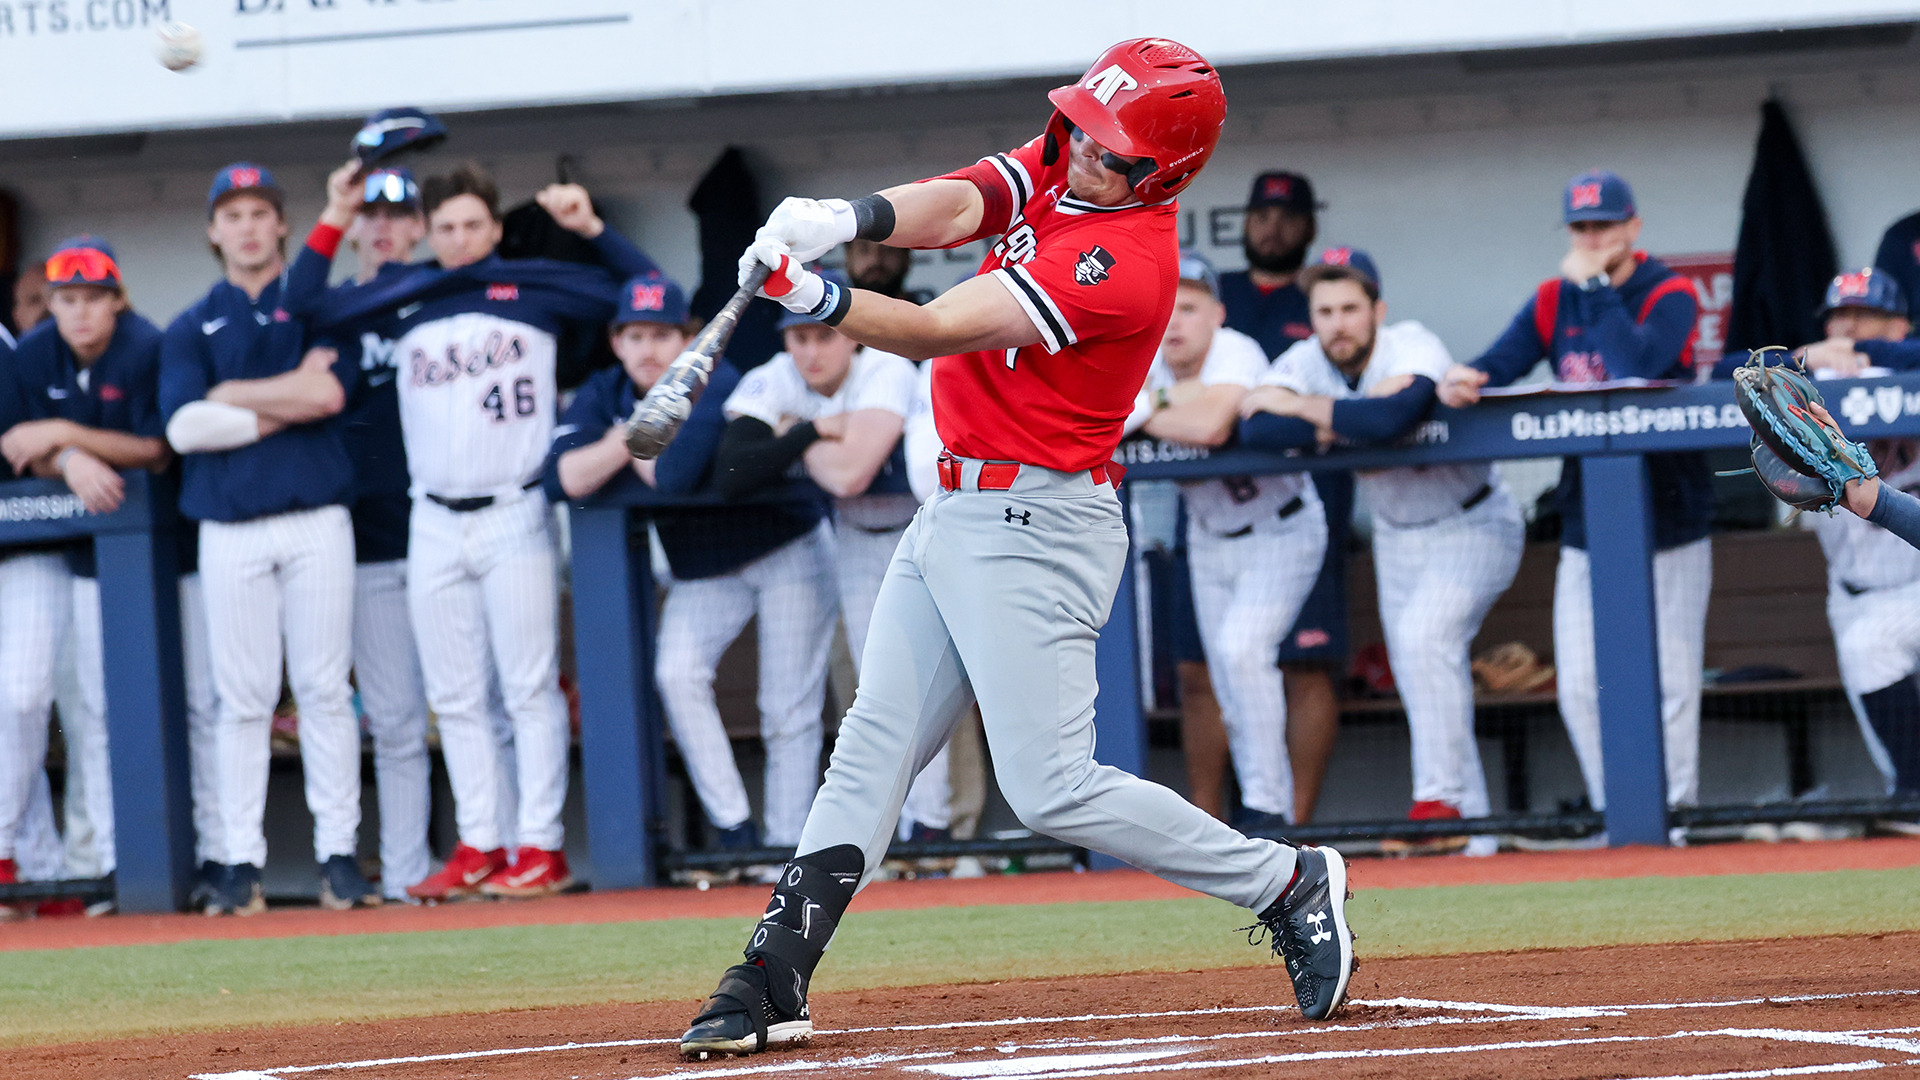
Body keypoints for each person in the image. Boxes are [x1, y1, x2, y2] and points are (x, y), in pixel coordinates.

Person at [677, 38, 1355, 1061]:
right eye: (1082, 128)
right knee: (871, 746)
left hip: (1040, 525)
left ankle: (1285, 881)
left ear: (1161, 173)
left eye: (1112, 148)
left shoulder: (1125, 263)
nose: (1084, 151)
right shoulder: (1070, 156)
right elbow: (960, 203)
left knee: (1050, 788)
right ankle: (773, 974)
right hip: (955, 507)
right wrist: (845, 219)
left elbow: (940, 326)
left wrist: (815, 297)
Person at [320, 163, 657, 901]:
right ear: (425, 232)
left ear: (496, 228)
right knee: (455, 696)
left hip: (514, 508)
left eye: (474, 224)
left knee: (528, 688)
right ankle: (481, 841)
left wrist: (590, 228)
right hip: (433, 516)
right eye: (445, 227)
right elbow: (306, 309)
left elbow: (646, 291)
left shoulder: (531, 285)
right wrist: (335, 218)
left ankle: (540, 845)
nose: (461, 239)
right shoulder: (406, 293)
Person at [1439, 168, 1709, 817]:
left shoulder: (1669, 292)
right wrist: (1463, 377)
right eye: (1581, 228)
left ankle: (1674, 815)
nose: (1591, 239)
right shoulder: (1551, 299)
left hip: (1671, 510)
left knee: (1671, 679)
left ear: (1632, 228)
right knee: (1582, 682)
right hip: (1589, 512)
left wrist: (1593, 286)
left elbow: (1634, 365)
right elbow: (1498, 363)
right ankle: (1619, 813)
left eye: (1604, 226)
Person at [1244, 248, 1524, 855]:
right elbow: (1257, 426)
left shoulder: (1410, 343)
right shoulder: (1306, 359)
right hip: (1399, 533)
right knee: (1424, 669)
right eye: (1325, 312)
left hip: (1471, 520)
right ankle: (1473, 836)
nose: (1338, 324)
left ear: (1378, 311)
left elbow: (1390, 418)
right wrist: (1345, 414)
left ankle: (1439, 804)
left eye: (1350, 308)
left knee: (1425, 640)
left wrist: (1313, 413)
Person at [549, 273, 830, 861]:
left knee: (787, 707)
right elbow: (566, 478)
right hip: (704, 567)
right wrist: (636, 439)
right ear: (616, 341)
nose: (648, 349)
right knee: (677, 674)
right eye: (635, 335)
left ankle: (788, 847)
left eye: (661, 334)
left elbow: (672, 475)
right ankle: (736, 830)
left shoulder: (715, 377)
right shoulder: (604, 387)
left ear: (687, 339)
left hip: (785, 546)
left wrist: (617, 441)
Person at [159, 161, 378, 914]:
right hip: (230, 528)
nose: (248, 227)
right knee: (242, 699)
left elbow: (329, 394)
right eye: (233, 215)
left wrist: (232, 397)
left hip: (316, 517)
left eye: (260, 213)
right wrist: (285, 403)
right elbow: (185, 428)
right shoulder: (192, 323)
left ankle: (338, 856)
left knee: (325, 690)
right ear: (214, 231)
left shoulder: (316, 306)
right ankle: (238, 862)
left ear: (282, 223)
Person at [0, 238, 219, 894]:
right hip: (79, 558)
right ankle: (104, 864)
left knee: (194, 704)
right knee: (91, 708)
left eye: (93, 298)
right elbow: (21, 446)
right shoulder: (34, 352)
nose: (80, 312)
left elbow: (155, 448)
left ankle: (211, 855)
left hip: (169, 554)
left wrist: (66, 437)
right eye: (66, 299)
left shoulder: (146, 344)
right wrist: (70, 460)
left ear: (118, 300)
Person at [717, 278, 955, 844]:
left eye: (823, 335)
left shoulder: (885, 366)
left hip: (923, 532)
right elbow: (733, 469)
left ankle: (933, 827)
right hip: (852, 536)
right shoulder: (779, 375)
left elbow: (850, 474)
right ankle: (911, 829)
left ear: (850, 336)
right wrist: (815, 432)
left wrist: (792, 440)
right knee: (879, 688)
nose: (810, 351)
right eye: (798, 337)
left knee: (925, 685)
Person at [1122, 251, 1324, 832]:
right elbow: (1105, 424)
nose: (1175, 323)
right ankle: (1259, 811)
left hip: (1280, 526)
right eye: (1166, 309)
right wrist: (1166, 402)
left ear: (1217, 314)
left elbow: (1210, 425)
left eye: (1189, 308)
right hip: (1210, 536)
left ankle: (1270, 812)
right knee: (1227, 681)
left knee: (1241, 651)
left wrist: (1148, 406)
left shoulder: (1237, 350)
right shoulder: (1145, 358)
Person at [1216, 170, 1347, 822]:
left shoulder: (1323, 300)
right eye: (1261, 214)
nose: (1272, 227)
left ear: (1309, 226)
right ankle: (1208, 823)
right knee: (1204, 669)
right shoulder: (1214, 295)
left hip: (1306, 498)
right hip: (1215, 504)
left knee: (1306, 662)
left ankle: (1291, 823)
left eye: (1287, 215)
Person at [328, 168, 440, 903]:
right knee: (396, 719)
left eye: (399, 214)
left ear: (419, 226)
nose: (384, 226)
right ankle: (406, 877)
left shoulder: (442, 293)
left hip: (448, 522)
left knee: (482, 707)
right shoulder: (335, 308)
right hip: (369, 537)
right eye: (370, 213)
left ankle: (501, 857)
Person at [1795, 272, 1920, 799]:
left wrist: (1866, 353)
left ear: (1899, 326)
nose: (1846, 327)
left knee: (1870, 647)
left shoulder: (1907, 372)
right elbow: (1727, 372)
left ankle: (1912, 796)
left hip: (1914, 582)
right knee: (1886, 737)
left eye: (1864, 315)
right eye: (1837, 317)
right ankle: (1907, 797)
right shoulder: (1809, 385)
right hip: (1850, 592)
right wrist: (1802, 358)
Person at [1799, 268, 1920, 375]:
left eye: (1864, 315)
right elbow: (1788, 360)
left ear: (1898, 327)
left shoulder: (1912, 364)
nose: (1850, 326)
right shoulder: (1808, 366)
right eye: (1841, 315)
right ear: (1827, 327)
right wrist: (1802, 361)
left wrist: (1859, 348)